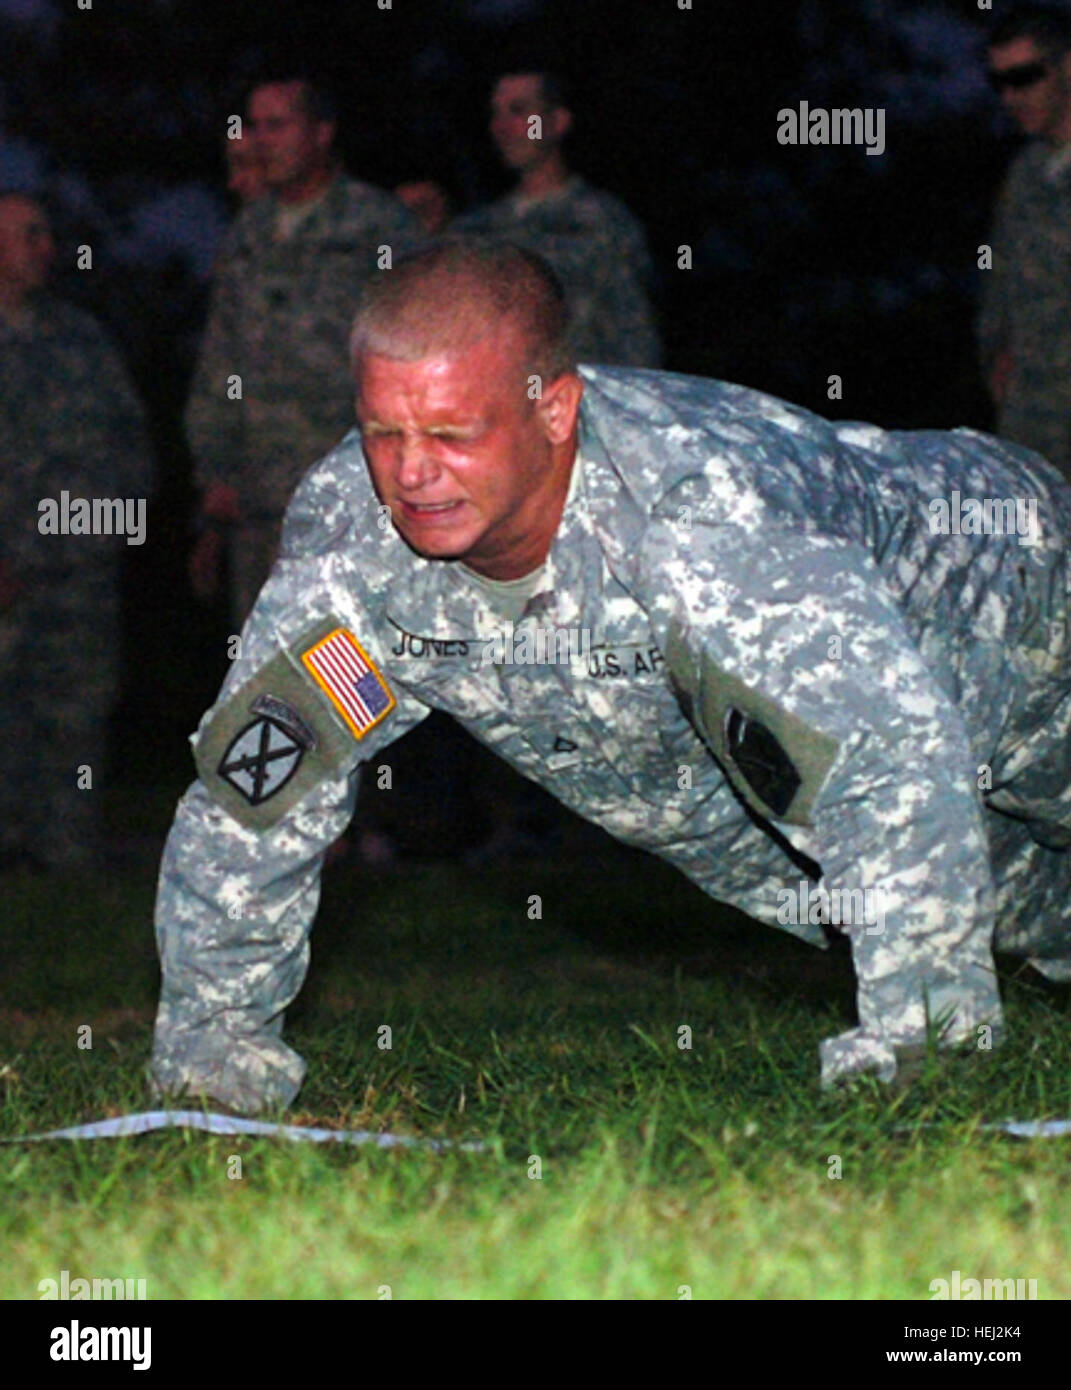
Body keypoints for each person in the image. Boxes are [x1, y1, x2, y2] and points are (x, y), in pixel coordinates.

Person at [151, 240, 1071, 1115]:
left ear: (555, 410)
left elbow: (880, 763)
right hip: (796, 741)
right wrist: (212, 1057)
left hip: (1014, 599)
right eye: (380, 432)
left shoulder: (697, 519)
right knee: (1028, 916)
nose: (411, 472)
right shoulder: (355, 551)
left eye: (451, 433)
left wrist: (918, 1059)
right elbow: (254, 799)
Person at [187, 73, 419, 626]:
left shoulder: (379, 226)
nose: (262, 139)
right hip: (258, 507)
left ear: (320, 133)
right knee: (269, 677)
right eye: (254, 126)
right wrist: (214, 471)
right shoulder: (247, 232)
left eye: (278, 124)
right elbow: (219, 361)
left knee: (357, 674)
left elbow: (422, 354)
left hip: (353, 501)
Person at [0, 193, 152, 869]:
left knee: (76, 718)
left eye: (45, 234)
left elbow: (130, 453)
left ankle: (67, 859)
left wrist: (99, 539)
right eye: (26, 235)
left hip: (75, 578)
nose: (44, 248)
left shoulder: (82, 339)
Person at [452, 70, 661, 368]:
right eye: (496, 114)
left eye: (520, 111)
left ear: (558, 122)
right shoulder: (476, 228)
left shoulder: (601, 222)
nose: (503, 127)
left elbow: (636, 337)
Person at [978, 5, 1071, 483]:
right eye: (1001, 83)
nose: (1012, 96)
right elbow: (1001, 279)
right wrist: (996, 352)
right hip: (1032, 427)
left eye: (1026, 77)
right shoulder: (1026, 173)